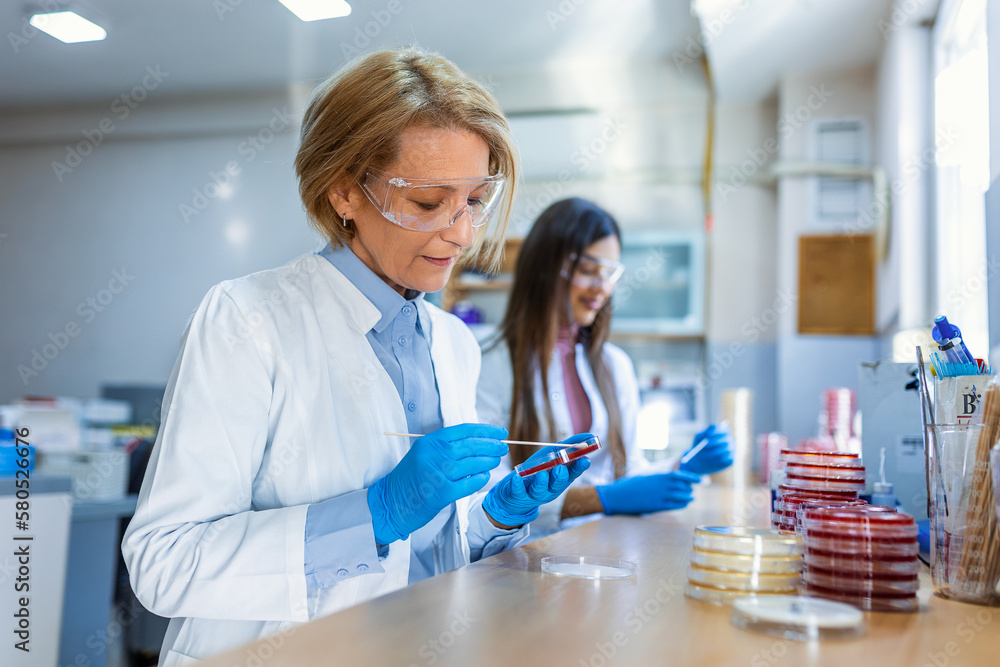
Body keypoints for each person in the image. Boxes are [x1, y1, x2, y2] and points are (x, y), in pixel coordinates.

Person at [122, 48, 590, 666]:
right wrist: (375, 513)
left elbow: (429, 554)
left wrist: (495, 520)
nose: (460, 232)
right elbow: (164, 564)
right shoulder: (247, 319)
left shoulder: (452, 343)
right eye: (428, 202)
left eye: (475, 200)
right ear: (345, 191)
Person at [477, 198, 732, 537]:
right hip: (520, 553)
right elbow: (488, 496)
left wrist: (685, 465)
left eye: (610, 272)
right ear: (546, 266)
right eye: (588, 270)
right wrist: (602, 498)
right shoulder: (490, 361)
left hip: (599, 549)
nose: (603, 287)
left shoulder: (613, 364)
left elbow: (627, 474)